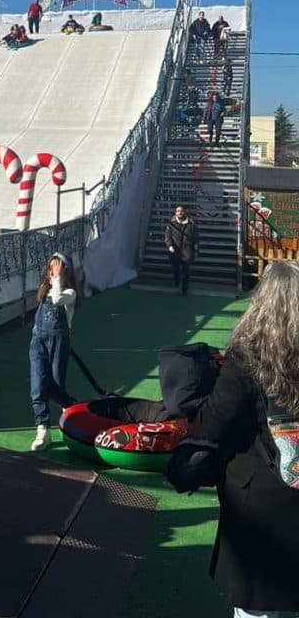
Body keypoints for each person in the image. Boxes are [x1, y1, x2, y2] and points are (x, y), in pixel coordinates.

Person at [166, 261, 299, 616]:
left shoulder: (249, 356)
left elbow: (216, 421)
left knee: (257, 609)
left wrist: (183, 463)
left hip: (260, 500)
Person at [29, 253, 77, 451]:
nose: (52, 274)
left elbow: (57, 299)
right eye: (50, 270)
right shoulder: (44, 291)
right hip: (39, 340)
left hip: (59, 340)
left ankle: (70, 407)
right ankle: (42, 427)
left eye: (56, 270)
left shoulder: (70, 294)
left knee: (56, 383)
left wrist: (58, 278)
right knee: (38, 384)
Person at [164, 205, 199, 295]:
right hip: (175, 250)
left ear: (184, 212)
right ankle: (177, 281)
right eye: (178, 211)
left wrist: (196, 250)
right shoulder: (171, 223)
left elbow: (196, 238)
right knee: (175, 269)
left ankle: (184, 289)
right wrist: (169, 245)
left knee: (186, 270)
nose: (180, 212)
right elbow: (167, 236)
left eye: (181, 211)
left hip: (187, 250)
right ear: (175, 212)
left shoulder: (191, 224)